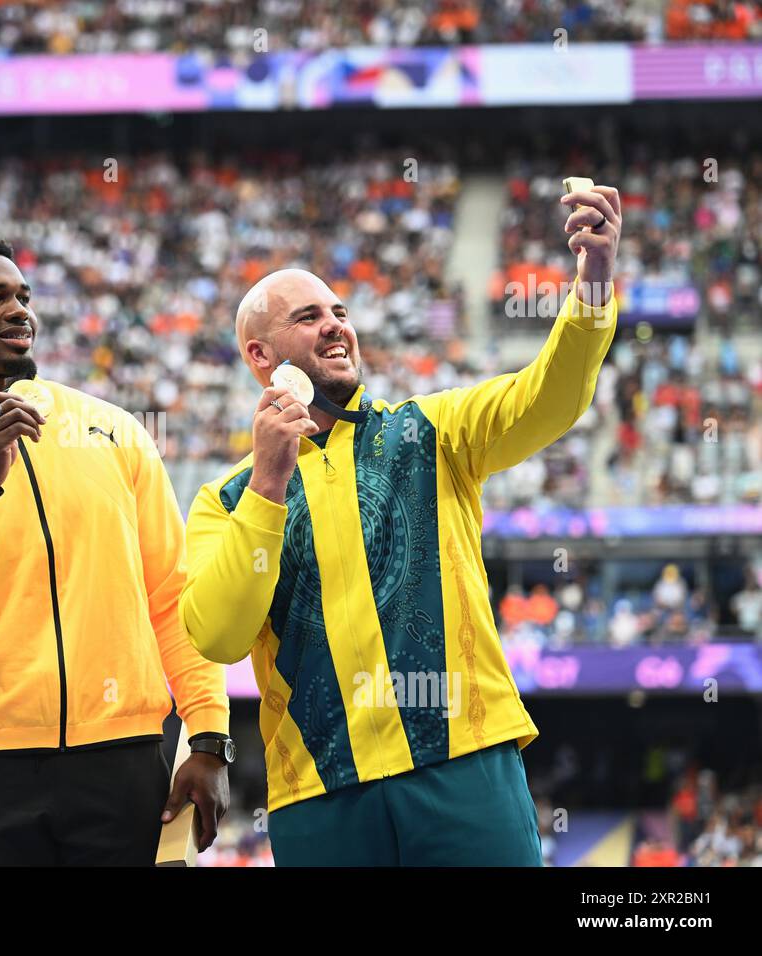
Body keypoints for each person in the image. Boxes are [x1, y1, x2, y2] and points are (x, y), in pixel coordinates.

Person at [181, 185, 624, 865]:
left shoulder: (432, 430)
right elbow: (217, 633)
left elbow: (550, 397)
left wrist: (592, 289)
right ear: (260, 356)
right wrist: (269, 484)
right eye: (309, 318)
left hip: (464, 765)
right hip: (321, 795)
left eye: (340, 312)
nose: (336, 326)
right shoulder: (227, 497)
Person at [0, 236, 231, 866]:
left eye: (23, 296)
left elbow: (172, 596)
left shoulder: (114, 430)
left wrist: (210, 736)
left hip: (125, 759)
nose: (19, 310)